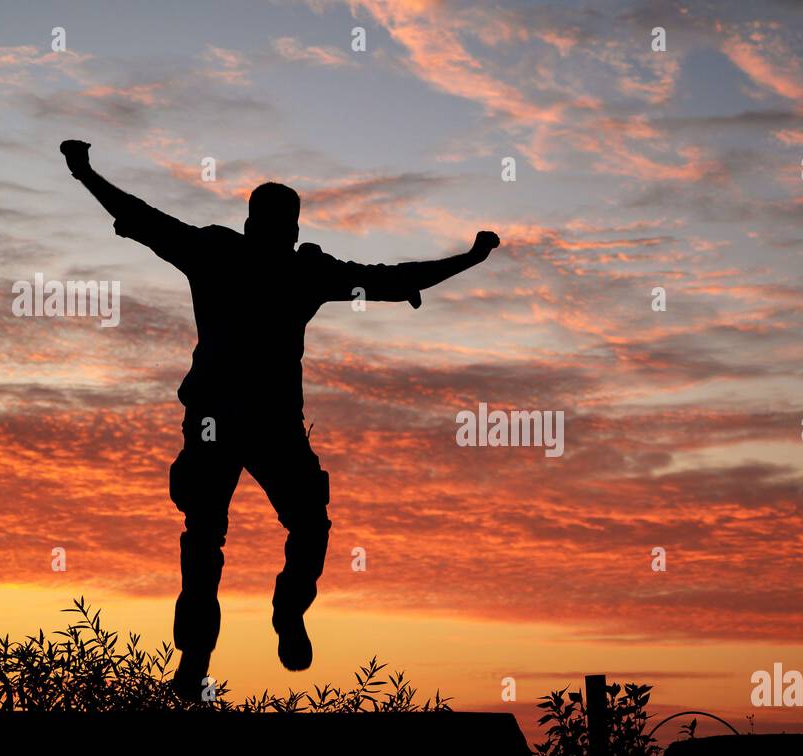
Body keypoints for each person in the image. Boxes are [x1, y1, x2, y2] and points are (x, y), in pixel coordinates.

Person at [59, 140, 501, 698]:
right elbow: (142, 218)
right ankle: (202, 655)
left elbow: (389, 279)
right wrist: (85, 174)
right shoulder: (233, 257)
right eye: (280, 226)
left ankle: (274, 619)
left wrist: (465, 259)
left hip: (258, 425)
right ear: (265, 227)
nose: (283, 235)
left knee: (274, 527)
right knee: (210, 535)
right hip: (226, 420)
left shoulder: (290, 269)